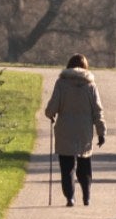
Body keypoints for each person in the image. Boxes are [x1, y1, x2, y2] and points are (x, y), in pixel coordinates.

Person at [45, 54, 106, 206]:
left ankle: (70, 197)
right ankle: (86, 197)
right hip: (84, 130)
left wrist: (50, 114)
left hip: (65, 129)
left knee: (67, 167)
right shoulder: (91, 85)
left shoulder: (61, 83)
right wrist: (101, 132)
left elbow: (52, 107)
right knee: (84, 165)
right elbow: (97, 111)